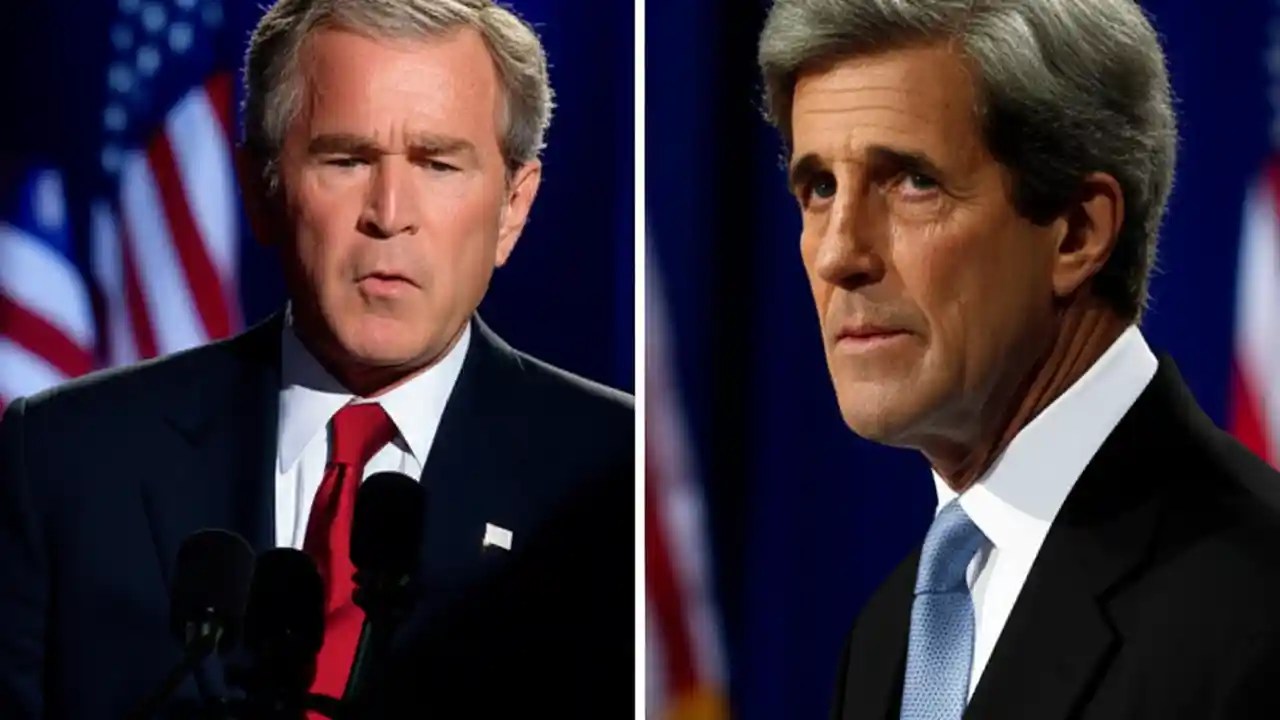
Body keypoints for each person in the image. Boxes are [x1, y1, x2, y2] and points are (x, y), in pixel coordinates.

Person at [0, 0, 633, 717]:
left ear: (513, 207)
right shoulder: (66, 458)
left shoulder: (614, 483)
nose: (390, 212)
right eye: (346, 159)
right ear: (262, 187)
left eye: (438, 163)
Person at [757, 1, 1280, 718]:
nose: (839, 252)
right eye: (819, 188)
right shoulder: (888, 637)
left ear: (1076, 232)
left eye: (911, 182)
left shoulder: (1256, 605)